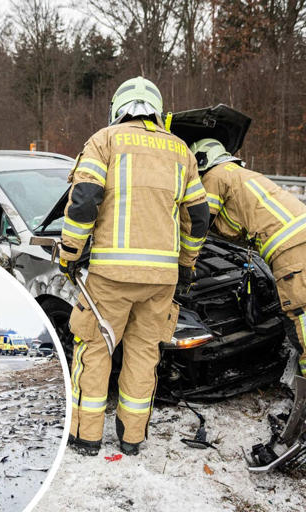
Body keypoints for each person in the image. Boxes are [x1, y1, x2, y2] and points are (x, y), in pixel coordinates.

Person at [59, 76, 210, 456]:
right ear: (158, 110)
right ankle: (132, 439)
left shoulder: (105, 140)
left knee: (94, 349)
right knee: (144, 355)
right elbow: (199, 216)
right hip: (161, 279)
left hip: (112, 275)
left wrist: (70, 253)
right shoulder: (181, 151)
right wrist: (187, 264)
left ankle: (86, 437)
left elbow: (84, 201)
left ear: (118, 107)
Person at [190, 138, 306, 377]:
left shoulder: (214, 176)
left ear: (201, 162)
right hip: (299, 238)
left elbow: (200, 222)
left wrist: (184, 259)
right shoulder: (242, 173)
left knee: (300, 318)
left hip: (291, 250)